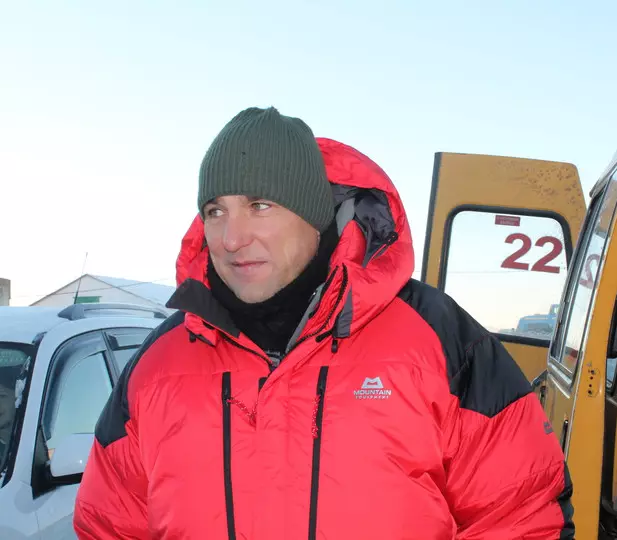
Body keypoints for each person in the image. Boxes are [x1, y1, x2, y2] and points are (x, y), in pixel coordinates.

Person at [74, 106, 574, 539]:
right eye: (215, 211)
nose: (231, 237)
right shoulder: (160, 364)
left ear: (314, 216)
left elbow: (524, 516)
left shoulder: (439, 341)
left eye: (260, 206)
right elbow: (110, 525)